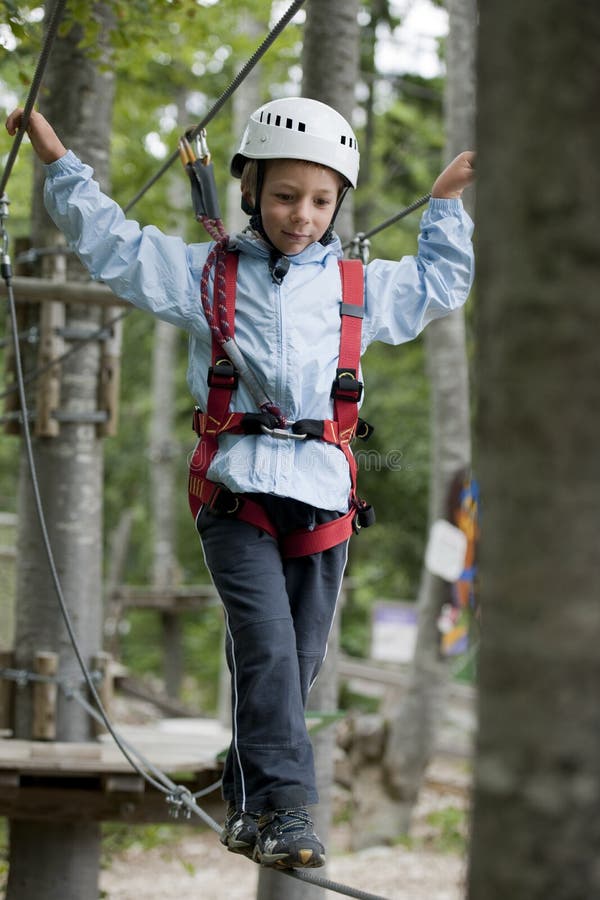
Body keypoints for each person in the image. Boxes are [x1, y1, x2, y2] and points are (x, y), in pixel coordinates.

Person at [6, 98, 475, 869]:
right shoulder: (207, 273)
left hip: (324, 494)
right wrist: (60, 164)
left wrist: (446, 202)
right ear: (250, 190)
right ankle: (290, 812)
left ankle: (247, 798)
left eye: (322, 201)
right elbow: (115, 246)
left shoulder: (355, 285)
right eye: (286, 196)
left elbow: (437, 285)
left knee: (297, 662)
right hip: (237, 491)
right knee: (264, 648)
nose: (303, 216)